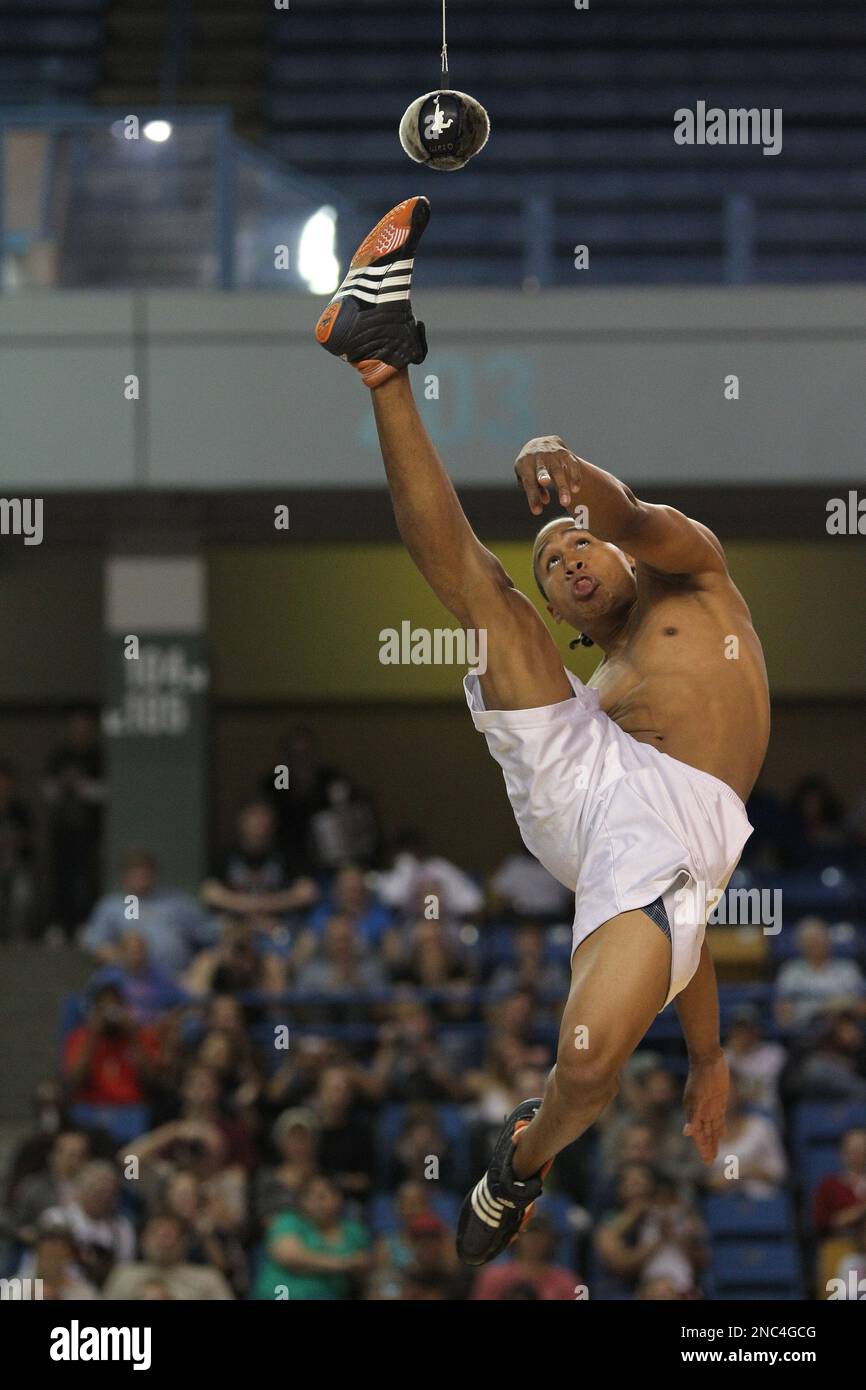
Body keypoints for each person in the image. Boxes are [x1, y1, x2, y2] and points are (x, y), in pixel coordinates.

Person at [315, 195, 769, 1265]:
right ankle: (381, 362)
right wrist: (703, 1051)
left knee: (584, 1064)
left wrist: (569, 473)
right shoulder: (596, 683)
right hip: (586, 780)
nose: (565, 561)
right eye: (552, 567)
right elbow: (679, 913)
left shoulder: (692, 572)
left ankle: (519, 1164)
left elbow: (633, 518)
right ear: (573, 622)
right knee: (484, 603)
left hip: (663, 837)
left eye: (573, 549)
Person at [82, 851, 215, 978]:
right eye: (135, 874)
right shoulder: (111, 906)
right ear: (124, 876)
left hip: (177, 979)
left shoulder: (176, 902)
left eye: (145, 873)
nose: (141, 879)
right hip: (129, 981)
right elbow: (95, 944)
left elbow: (209, 933)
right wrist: (123, 958)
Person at [252, 1174, 369, 1301]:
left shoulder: (354, 1230)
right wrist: (345, 1264)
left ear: (338, 1197)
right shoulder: (288, 1220)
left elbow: (364, 1269)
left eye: (322, 1196)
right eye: (308, 1196)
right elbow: (289, 1256)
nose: (316, 1202)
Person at [42, 708, 105, 941]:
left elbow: (109, 791)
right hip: (62, 830)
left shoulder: (98, 756)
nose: (80, 733)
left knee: (85, 879)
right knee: (61, 877)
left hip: (88, 831)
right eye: (75, 728)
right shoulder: (60, 756)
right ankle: (58, 924)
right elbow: (47, 791)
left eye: (84, 728)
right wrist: (63, 783)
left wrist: (81, 786)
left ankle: (84, 924)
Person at [103, 1212, 233, 1300]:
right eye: (157, 1235)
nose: (163, 1242)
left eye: (169, 1235)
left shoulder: (208, 1279)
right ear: (143, 1240)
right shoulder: (122, 1276)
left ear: (183, 1242)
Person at [774, 917, 864, 1031]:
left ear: (828, 941)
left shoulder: (847, 969)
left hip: (841, 1028)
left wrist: (842, 1006)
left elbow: (862, 1006)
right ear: (800, 945)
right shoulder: (791, 971)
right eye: (810, 941)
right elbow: (783, 1015)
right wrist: (821, 1009)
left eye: (819, 940)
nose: (815, 945)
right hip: (804, 1032)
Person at [0, 759, 34, 940]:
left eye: (5, 781)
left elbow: (28, 838)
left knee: (21, 899)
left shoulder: (20, 810)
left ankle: (18, 940)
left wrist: (10, 841)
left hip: (18, 864)